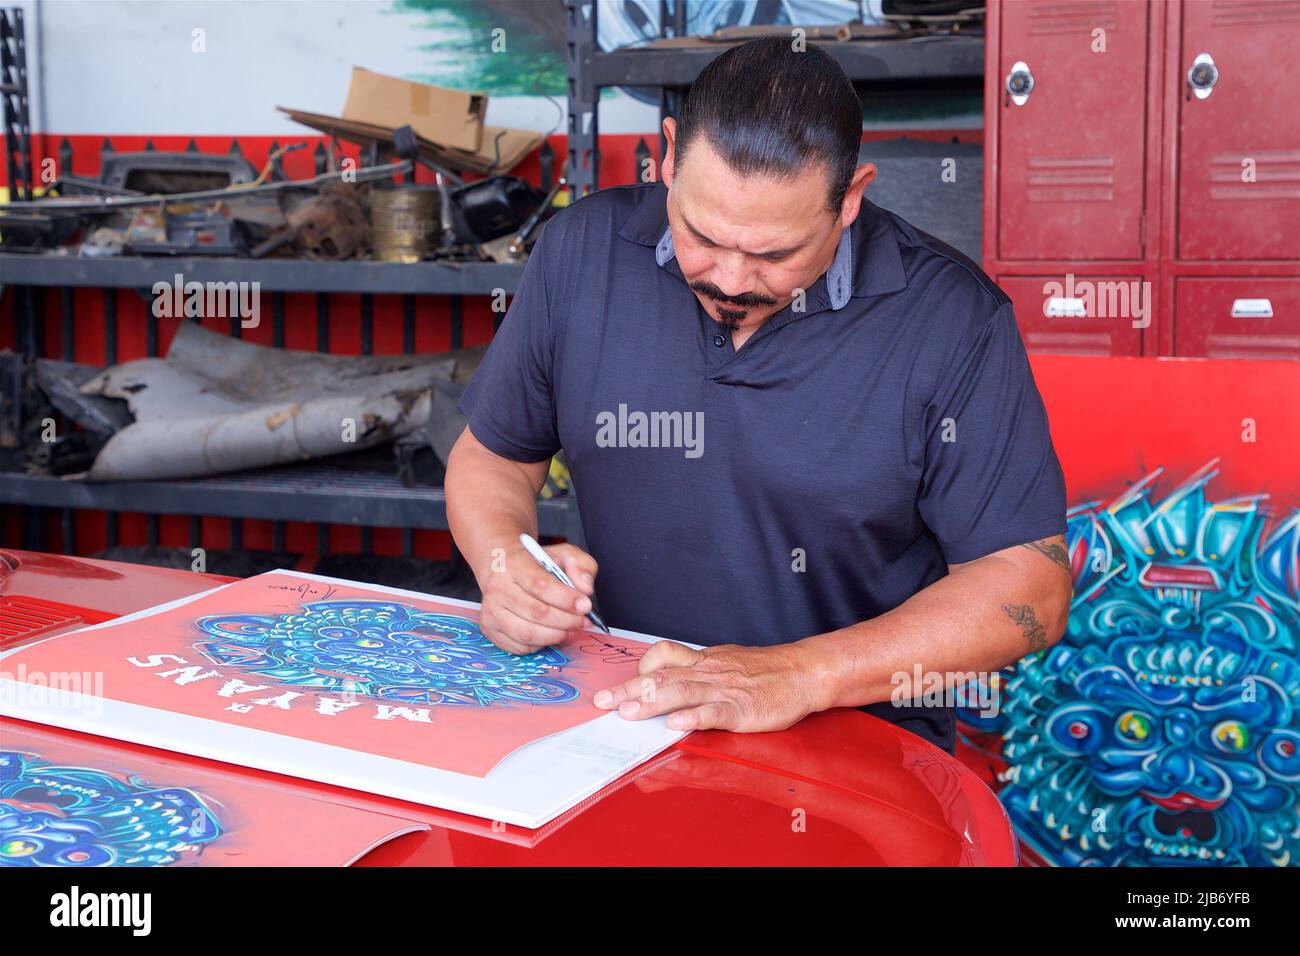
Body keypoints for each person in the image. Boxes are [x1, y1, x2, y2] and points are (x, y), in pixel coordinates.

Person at [446, 36, 1072, 755]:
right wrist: (505, 565)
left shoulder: (950, 319)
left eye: (775, 255)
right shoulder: (582, 254)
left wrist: (798, 675)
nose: (733, 280)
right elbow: (494, 457)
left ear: (850, 198)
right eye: (703, 237)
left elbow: (1030, 583)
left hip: (863, 750)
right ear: (669, 156)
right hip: (631, 727)